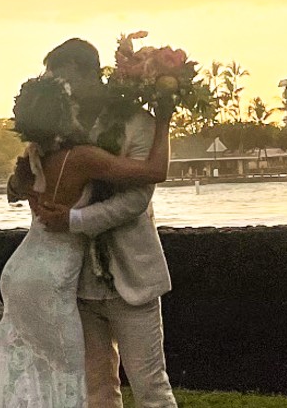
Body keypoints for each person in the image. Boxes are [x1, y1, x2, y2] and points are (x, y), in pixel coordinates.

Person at [0, 64, 174, 407]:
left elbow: (136, 198)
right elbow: (155, 171)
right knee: (74, 384)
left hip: (32, 270)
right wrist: (166, 118)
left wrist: (60, 211)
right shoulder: (81, 155)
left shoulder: (37, 154)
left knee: (34, 373)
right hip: (63, 281)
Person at [28, 38, 179, 408]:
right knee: (96, 390)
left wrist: (75, 220)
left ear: (85, 73)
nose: (57, 89)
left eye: (60, 80)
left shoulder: (136, 123)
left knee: (150, 388)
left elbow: (138, 198)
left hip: (133, 279)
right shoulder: (59, 133)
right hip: (78, 282)